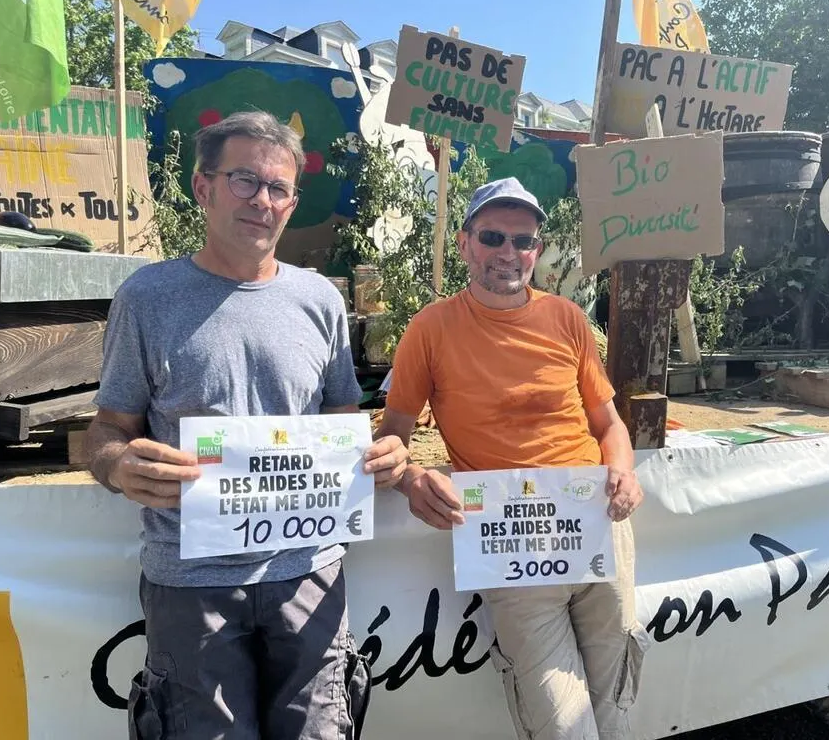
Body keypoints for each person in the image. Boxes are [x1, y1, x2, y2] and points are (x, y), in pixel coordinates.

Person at [85, 111, 408, 740]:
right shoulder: (147, 298)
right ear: (203, 187)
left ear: (292, 203)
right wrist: (118, 466)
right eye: (244, 180)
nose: (263, 200)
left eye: (279, 188)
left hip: (310, 572)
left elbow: (344, 429)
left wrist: (384, 458)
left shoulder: (320, 301)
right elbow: (105, 431)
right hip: (190, 581)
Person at [375, 177, 648, 740]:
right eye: (493, 236)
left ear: (538, 250)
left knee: (617, 705)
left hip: (596, 525)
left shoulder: (568, 319)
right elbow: (394, 438)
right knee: (559, 723)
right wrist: (410, 478)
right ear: (465, 243)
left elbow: (609, 424)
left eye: (523, 241)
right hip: (512, 542)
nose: (509, 253)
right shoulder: (430, 329)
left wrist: (623, 469)